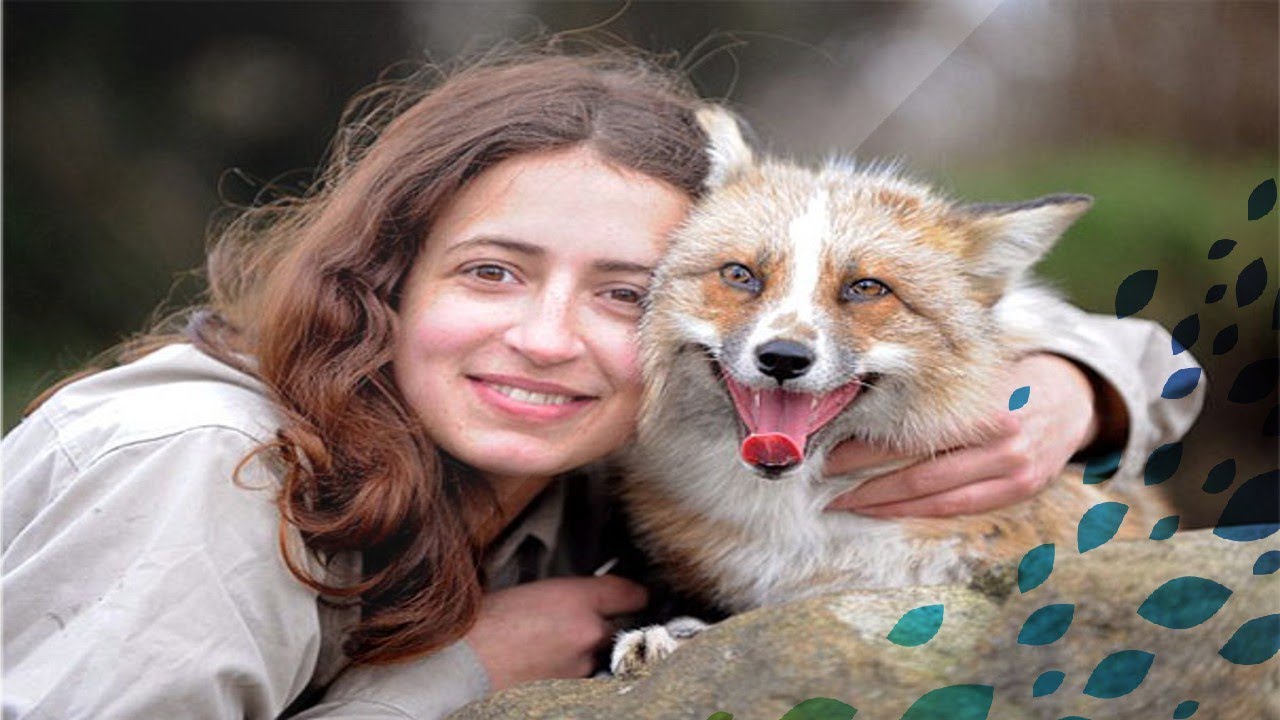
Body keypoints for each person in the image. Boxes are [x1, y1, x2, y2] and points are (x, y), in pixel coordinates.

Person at [2, 47, 1201, 719]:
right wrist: (454, 676)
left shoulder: (612, 437)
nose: (546, 338)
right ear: (384, 278)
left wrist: (1068, 384)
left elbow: (1001, 315)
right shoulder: (199, 474)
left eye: (626, 293)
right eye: (491, 270)